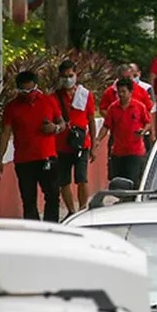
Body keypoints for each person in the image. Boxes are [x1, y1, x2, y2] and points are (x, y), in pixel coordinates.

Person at [0, 70, 65, 221]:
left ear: (36, 86)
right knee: (28, 200)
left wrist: (55, 128)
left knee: (52, 196)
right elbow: (5, 133)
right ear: (18, 89)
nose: (28, 94)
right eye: (24, 90)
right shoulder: (12, 107)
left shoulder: (48, 101)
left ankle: (51, 227)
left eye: (31, 90)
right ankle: (33, 231)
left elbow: (62, 123)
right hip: (24, 160)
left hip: (47, 157)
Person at [54, 60, 97, 215]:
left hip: (81, 144)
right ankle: (71, 211)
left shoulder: (85, 95)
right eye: (64, 76)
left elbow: (91, 120)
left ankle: (83, 209)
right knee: (64, 180)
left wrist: (94, 145)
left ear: (76, 74)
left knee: (81, 178)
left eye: (70, 75)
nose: (68, 79)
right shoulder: (55, 97)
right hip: (61, 145)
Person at [94, 78, 151, 184]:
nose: (121, 94)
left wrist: (143, 131)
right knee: (119, 182)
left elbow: (148, 123)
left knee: (132, 181)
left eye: (123, 91)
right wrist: (98, 140)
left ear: (130, 92)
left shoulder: (139, 107)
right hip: (118, 151)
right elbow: (106, 126)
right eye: (119, 92)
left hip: (135, 151)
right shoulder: (113, 108)